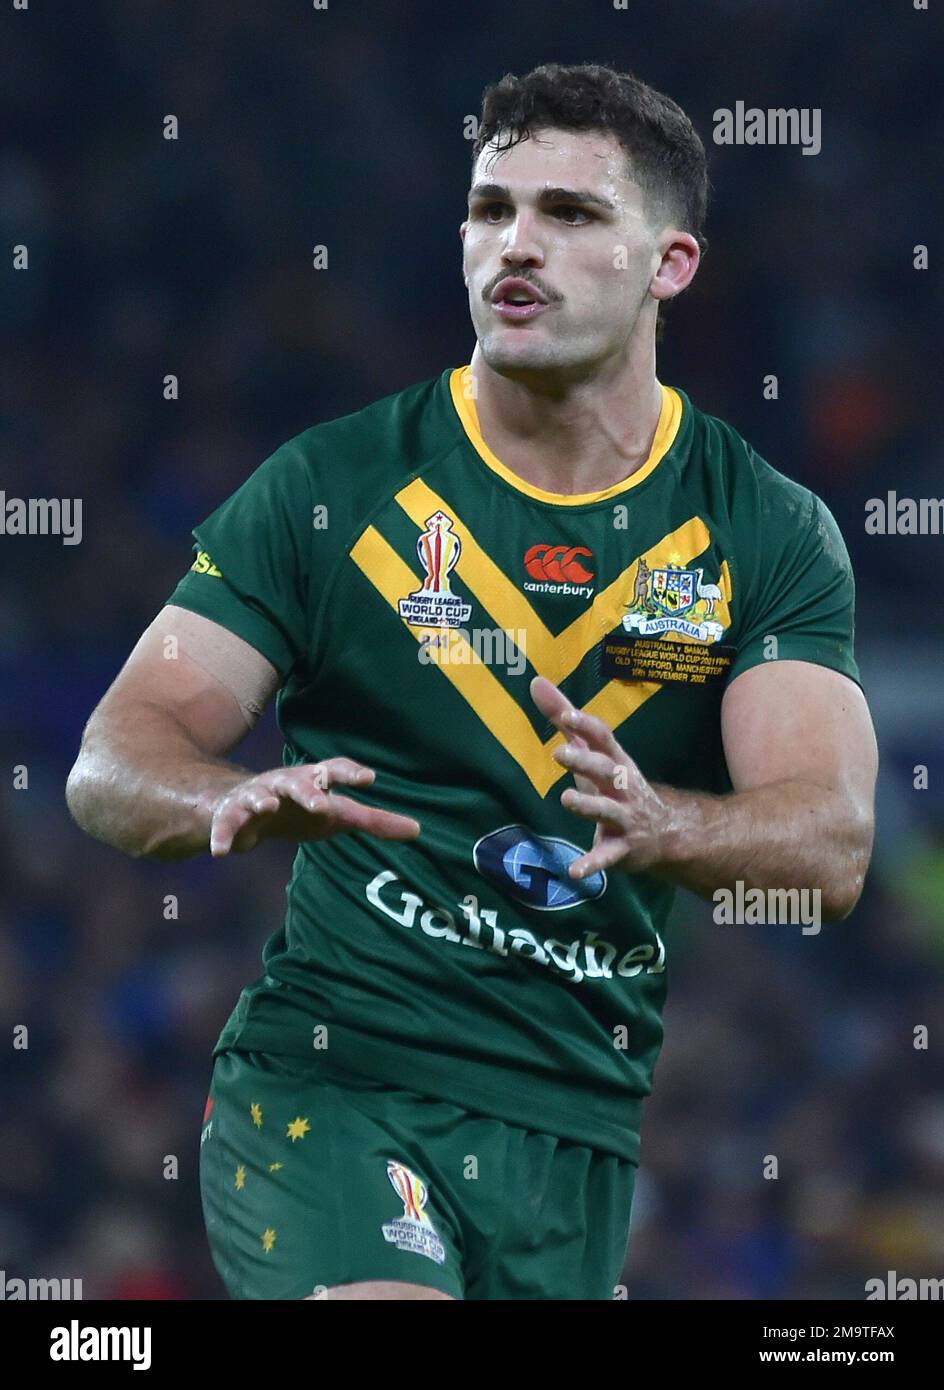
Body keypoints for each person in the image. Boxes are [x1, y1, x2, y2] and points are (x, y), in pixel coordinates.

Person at [65, 62, 878, 1301]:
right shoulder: (331, 486)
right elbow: (111, 757)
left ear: (670, 265)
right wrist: (216, 794)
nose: (516, 243)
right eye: (491, 208)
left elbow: (827, 843)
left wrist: (670, 825)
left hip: (576, 1129)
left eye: (569, 214)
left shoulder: (761, 530)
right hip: (335, 1082)